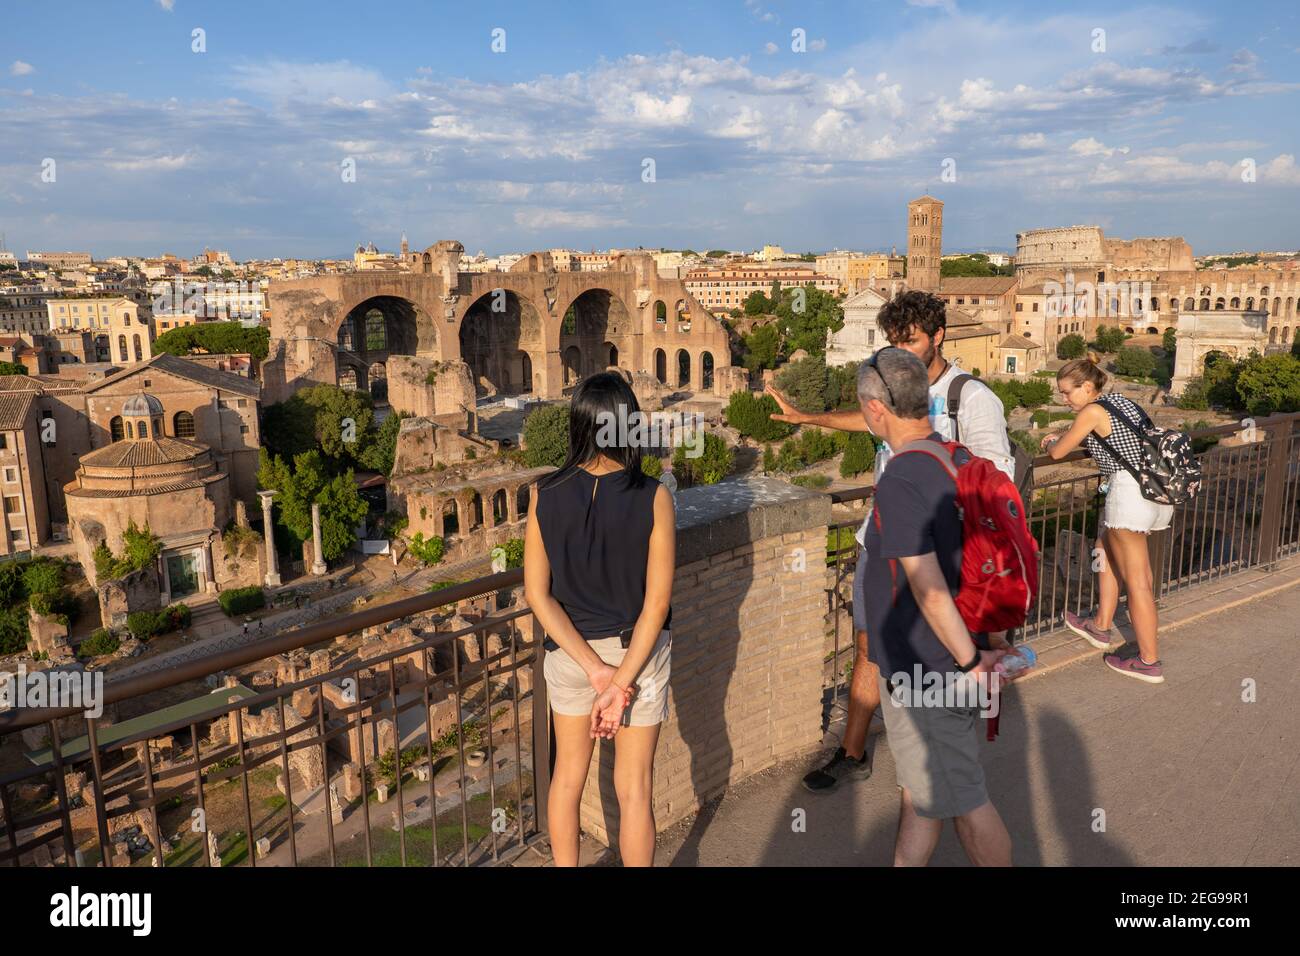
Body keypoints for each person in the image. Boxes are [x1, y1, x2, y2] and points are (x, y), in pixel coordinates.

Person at [766, 290, 1016, 793]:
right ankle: (853, 752)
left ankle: (945, 764)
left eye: (911, 340)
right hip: (879, 541)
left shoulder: (972, 398)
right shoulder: (900, 388)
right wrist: (807, 418)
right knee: (867, 644)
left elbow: (998, 484)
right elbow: (870, 419)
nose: (901, 350)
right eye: (893, 341)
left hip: (942, 552)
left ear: (939, 336)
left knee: (939, 650)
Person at [856, 347, 1017, 866]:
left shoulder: (902, 478)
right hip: (955, 655)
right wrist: (992, 646)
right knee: (923, 796)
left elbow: (927, 587)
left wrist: (972, 665)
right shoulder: (957, 457)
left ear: (876, 408)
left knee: (967, 803)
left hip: (929, 669)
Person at [523, 372, 675, 867]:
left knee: (567, 780)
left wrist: (594, 672)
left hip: (570, 657)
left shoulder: (544, 493)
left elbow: (537, 596)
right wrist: (620, 682)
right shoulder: (654, 496)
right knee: (634, 790)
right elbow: (656, 604)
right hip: (637, 656)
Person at [1041, 354, 1172, 683]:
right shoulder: (1120, 402)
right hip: (1156, 490)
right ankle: (1100, 625)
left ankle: (1148, 661)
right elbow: (1115, 439)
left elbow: (1057, 453)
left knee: (1139, 581)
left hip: (1130, 497)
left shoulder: (1092, 411)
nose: (1064, 399)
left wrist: (1054, 441)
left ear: (1086, 387)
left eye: (1067, 392)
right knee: (1104, 546)